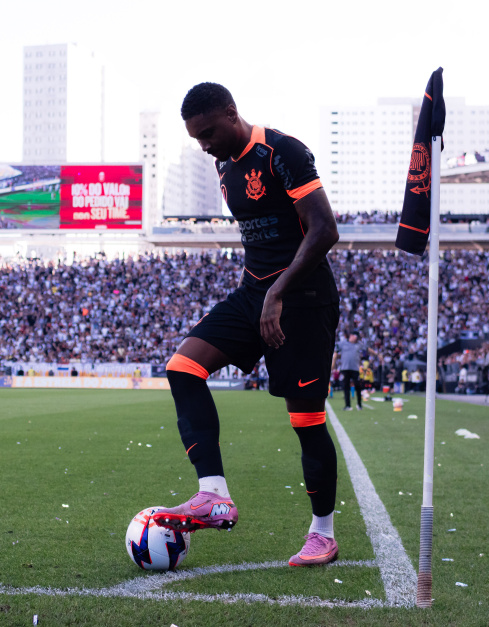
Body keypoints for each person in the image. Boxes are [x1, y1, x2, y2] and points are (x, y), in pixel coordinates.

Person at [153, 82, 342, 567]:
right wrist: (262, 292)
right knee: (182, 367)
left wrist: (278, 292)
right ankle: (213, 494)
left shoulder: (284, 152)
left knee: (306, 421)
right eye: (196, 138)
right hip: (255, 293)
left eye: (209, 132)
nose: (204, 145)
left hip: (302, 299)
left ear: (232, 114)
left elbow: (324, 229)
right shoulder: (223, 166)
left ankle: (323, 534)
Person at [332, 332, 365, 411]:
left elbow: (367, 349)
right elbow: (336, 351)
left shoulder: (359, 344)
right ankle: (347, 405)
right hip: (344, 369)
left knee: (358, 386)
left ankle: (359, 405)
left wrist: (376, 354)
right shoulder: (342, 343)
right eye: (356, 337)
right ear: (352, 336)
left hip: (355, 369)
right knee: (346, 387)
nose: (356, 339)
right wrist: (333, 363)